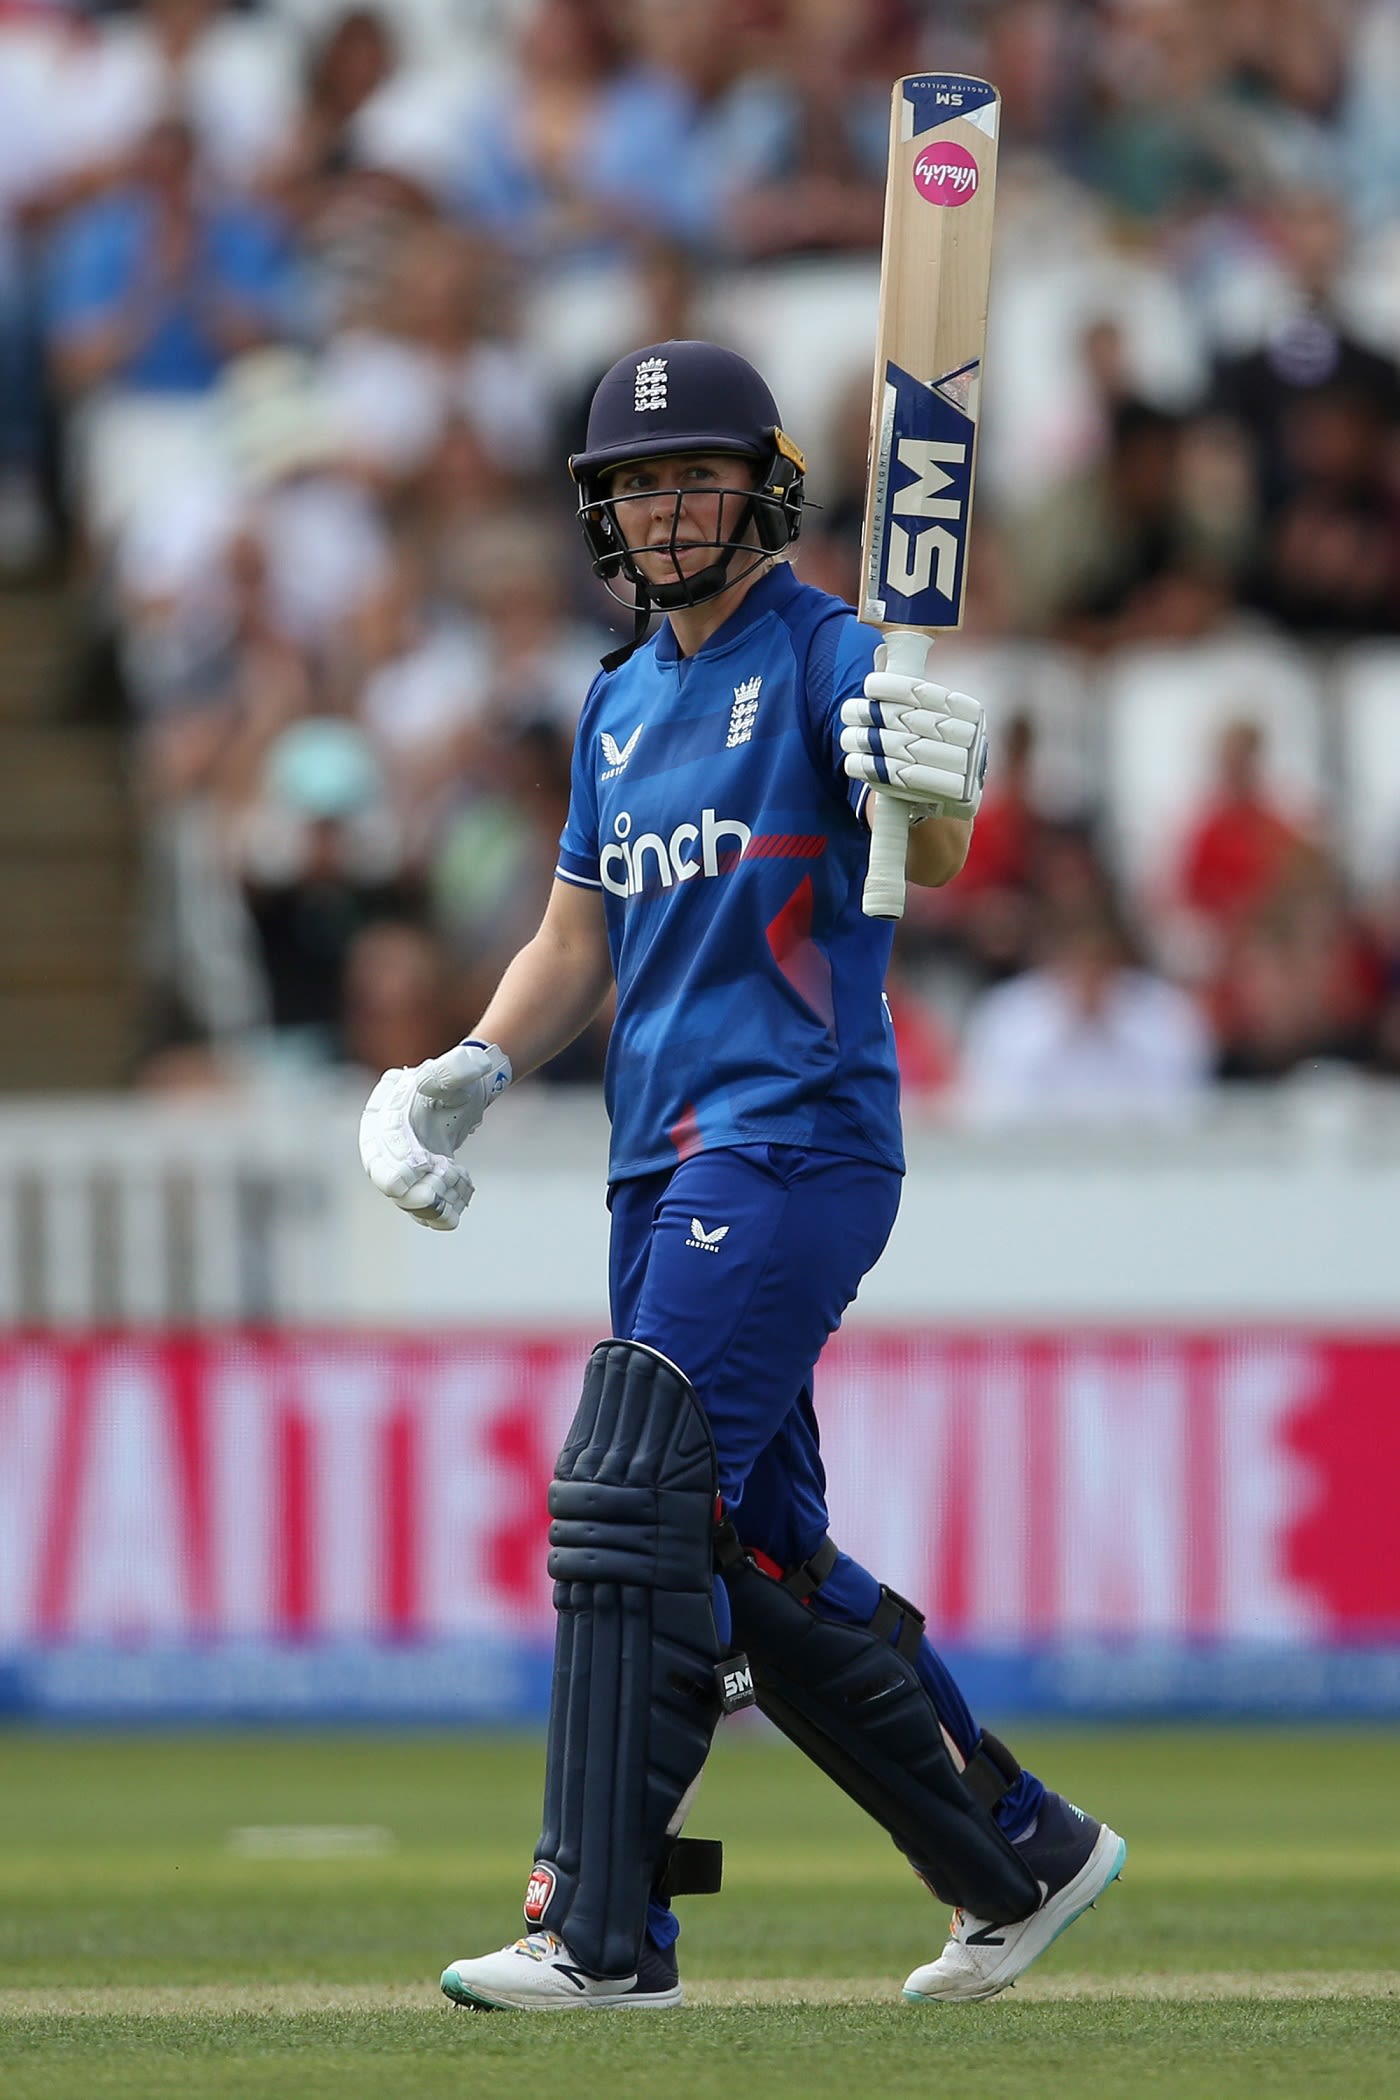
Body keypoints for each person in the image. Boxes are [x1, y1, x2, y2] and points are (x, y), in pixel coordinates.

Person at [357, 340, 1126, 2011]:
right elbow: (580, 937)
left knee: (629, 1480)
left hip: (796, 1139)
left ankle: (601, 1928)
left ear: (765, 485)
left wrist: (941, 787)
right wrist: (468, 1070)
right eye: (635, 485)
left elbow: (929, 825)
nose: (665, 507)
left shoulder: (835, 649)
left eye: (694, 474)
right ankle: (1022, 1850)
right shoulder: (620, 703)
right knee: (752, 1561)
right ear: (602, 518)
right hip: (657, 1161)